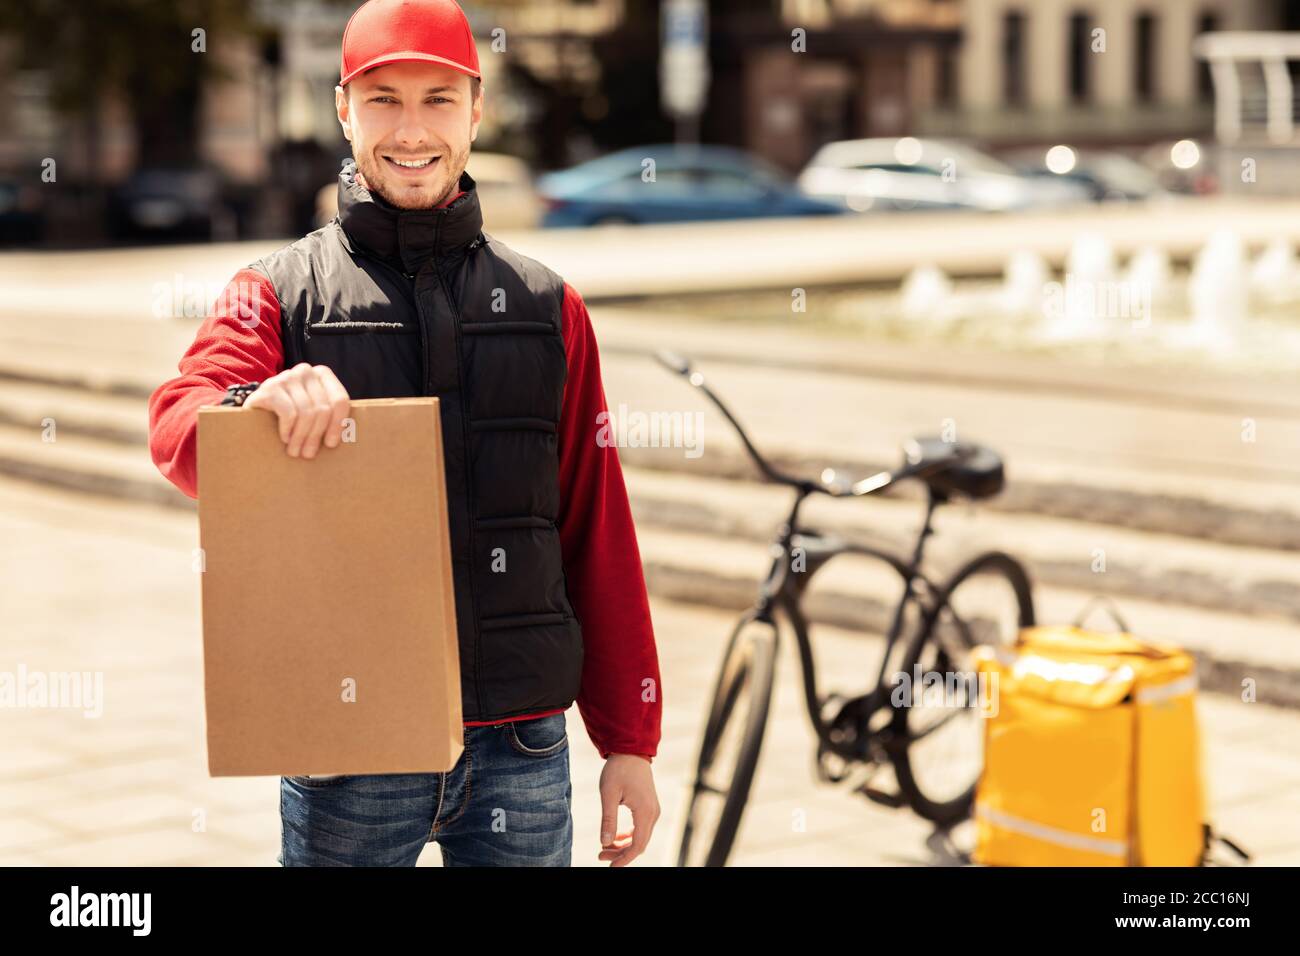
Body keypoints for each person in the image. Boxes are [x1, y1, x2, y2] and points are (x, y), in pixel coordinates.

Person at [147, 0, 662, 867]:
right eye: (383, 99)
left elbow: (594, 526)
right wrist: (253, 403)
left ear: (475, 109)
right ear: (343, 109)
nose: (411, 128)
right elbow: (177, 421)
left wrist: (630, 739)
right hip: (350, 748)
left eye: (438, 98)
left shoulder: (551, 307)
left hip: (524, 749)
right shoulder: (274, 291)